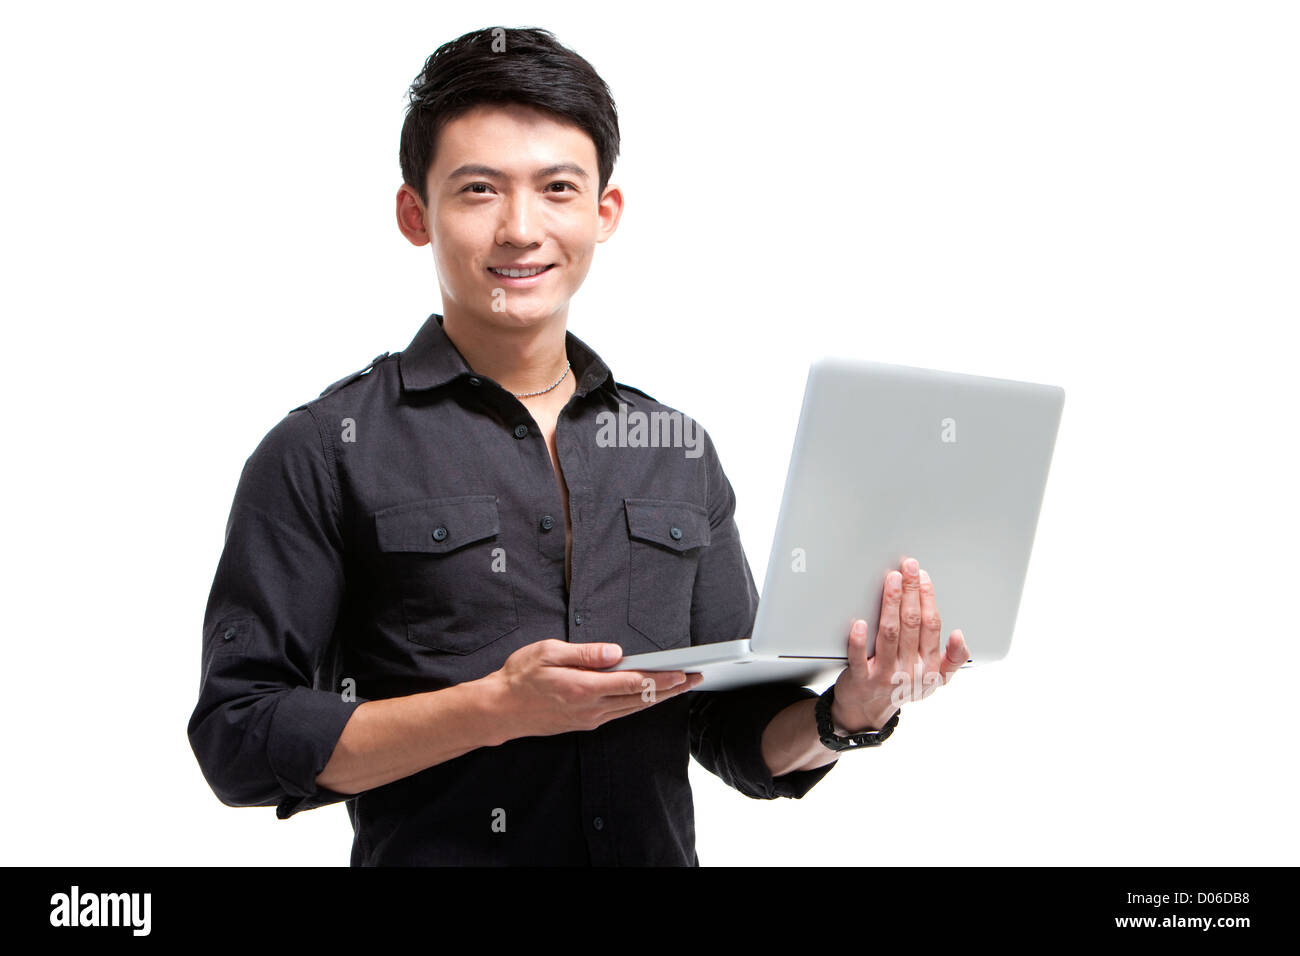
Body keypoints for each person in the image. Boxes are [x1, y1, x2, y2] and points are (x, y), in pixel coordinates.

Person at [187, 25, 969, 866]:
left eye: (557, 188)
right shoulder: (322, 450)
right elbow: (238, 739)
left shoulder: (674, 449)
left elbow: (733, 732)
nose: (522, 229)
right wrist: (494, 708)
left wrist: (853, 707)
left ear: (605, 212)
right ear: (416, 213)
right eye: (479, 190)